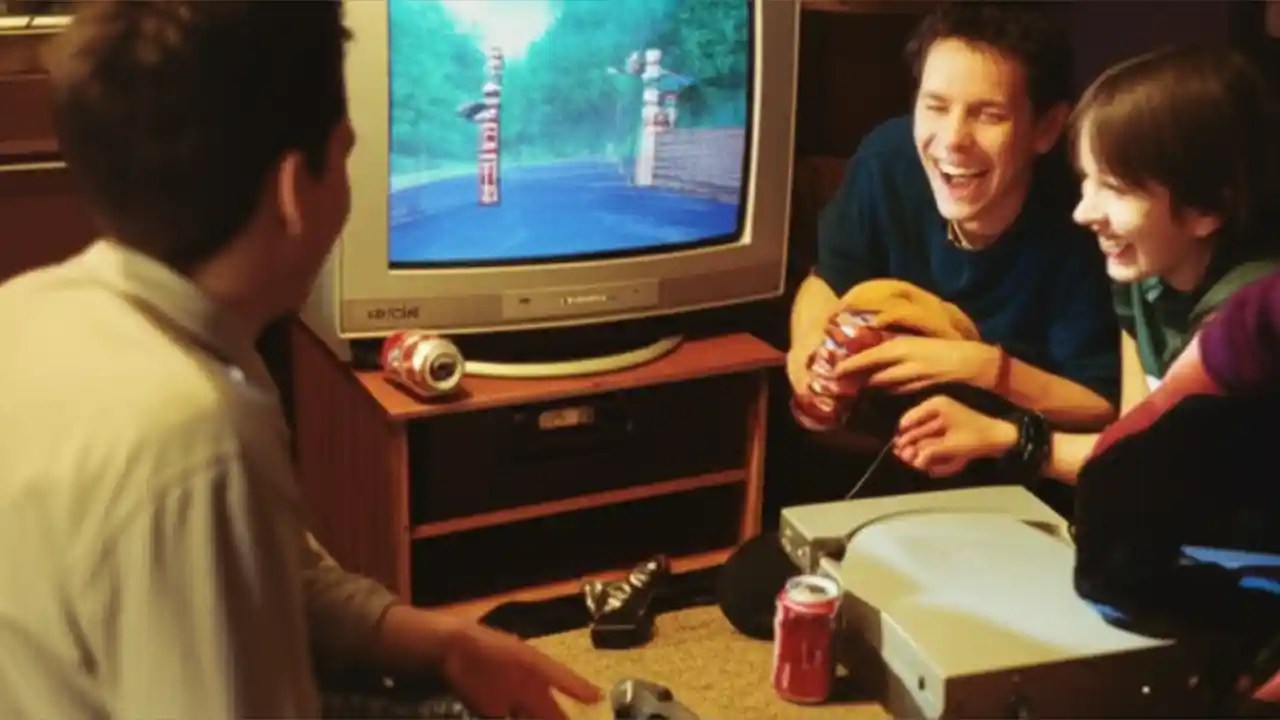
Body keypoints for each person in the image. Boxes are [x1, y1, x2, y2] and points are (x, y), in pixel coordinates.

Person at [0, 3, 599, 718]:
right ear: (294, 191)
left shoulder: (32, 310)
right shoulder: (193, 434)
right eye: (344, 156)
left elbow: (267, 573)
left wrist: (445, 642)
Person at [891, 45, 1280, 483]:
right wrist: (992, 434)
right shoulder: (1142, 276)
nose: (1084, 213)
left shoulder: (1250, 320)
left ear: (1207, 207)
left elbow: (1148, 471)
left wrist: (1006, 438)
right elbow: (1132, 442)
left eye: (1115, 188)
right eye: (1086, 181)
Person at [788, 1, 1121, 445]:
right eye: (936, 107)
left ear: (1046, 128)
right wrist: (808, 347)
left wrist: (981, 367)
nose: (952, 140)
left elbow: (1100, 403)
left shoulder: (1086, 217)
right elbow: (828, 280)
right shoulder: (887, 160)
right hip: (888, 443)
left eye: (989, 115)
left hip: (1013, 458)